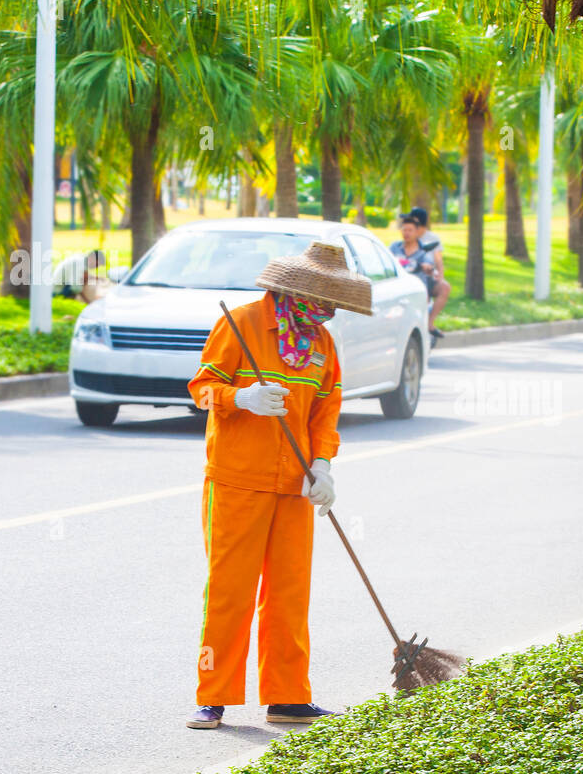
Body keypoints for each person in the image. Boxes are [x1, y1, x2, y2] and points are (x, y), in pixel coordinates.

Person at [184, 241, 372, 730]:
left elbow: (325, 413)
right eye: (326, 300)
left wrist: (324, 466)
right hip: (236, 481)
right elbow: (202, 389)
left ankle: (288, 696)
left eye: (336, 304)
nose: (330, 312)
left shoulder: (321, 345)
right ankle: (213, 697)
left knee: (290, 592)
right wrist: (240, 397)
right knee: (230, 591)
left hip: (294, 484)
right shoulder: (241, 324)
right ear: (299, 291)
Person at [396, 208, 451, 339]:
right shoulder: (400, 243)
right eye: (406, 229)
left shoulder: (431, 239)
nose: (407, 231)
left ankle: (429, 323)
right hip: (406, 275)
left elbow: (437, 260)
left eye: (412, 226)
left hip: (426, 276)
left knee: (444, 287)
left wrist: (438, 277)